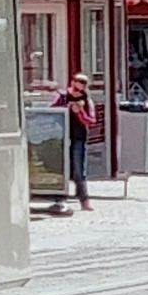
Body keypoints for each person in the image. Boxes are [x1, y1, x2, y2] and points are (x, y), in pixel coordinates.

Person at [59, 66, 98, 213]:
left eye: (82, 83)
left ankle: (84, 199)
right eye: (76, 82)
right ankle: (60, 198)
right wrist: (65, 107)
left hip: (78, 137)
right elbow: (54, 110)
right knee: (60, 167)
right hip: (62, 137)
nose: (78, 87)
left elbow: (91, 120)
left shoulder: (87, 100)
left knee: (78, 169)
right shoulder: (63, 96)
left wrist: (80, 112)